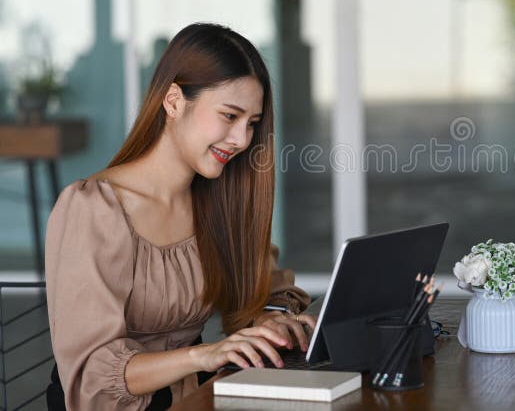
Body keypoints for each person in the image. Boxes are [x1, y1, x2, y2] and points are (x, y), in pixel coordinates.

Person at [44, 23, 316, 410]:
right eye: (229, 115)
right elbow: (92, 376)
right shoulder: (93, 209)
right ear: (173, 101)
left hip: (196, 393)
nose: (241, 139)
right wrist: (205, 354)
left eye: (251, 124)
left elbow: (267, 291)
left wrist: (270, 319)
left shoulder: (219, 197)